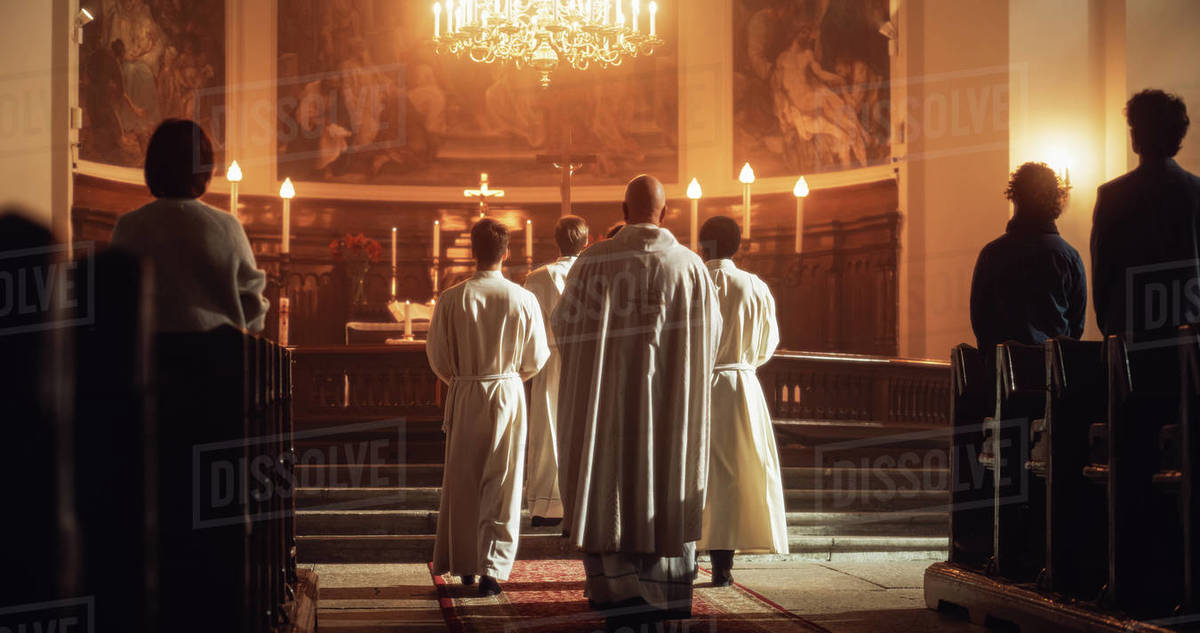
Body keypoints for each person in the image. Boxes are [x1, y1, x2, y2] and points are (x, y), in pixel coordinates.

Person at [552, 175, 721, 629]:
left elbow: (564, 328)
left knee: (611, 484)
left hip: (609, 408)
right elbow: (713, 340)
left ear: (623, 212)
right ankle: (667, 594)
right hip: (670, 411)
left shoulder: (592, 261)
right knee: (666, 480)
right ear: (665, 214)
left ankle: (615, 589)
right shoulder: (690, 267)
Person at [427, 219, 549, 597]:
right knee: (504, 481)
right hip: (508, 392)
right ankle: (492, 570)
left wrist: (463, 381)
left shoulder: (452, 298)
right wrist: (509, 378)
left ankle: (464, 563)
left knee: (464, 481)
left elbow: (438, 357)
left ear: (473, 251)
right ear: (507, 252)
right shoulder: (523, 298)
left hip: (465, 392)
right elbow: (536, 357)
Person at [695, 216, 789, 587]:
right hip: (739, 386)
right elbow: (767, 345)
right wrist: (742, 362)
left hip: (695, 386)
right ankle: (723, 564)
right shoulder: (755, 286)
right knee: (735, 475)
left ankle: (686, 555)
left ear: (702, 246)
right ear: (737, 247)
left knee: (693, 470)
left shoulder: (690, 282)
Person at [111, 119, 269, 333]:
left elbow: (116, 301)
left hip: (147, 360)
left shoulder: (128, 226)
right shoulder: (227, 227)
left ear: (152, 166)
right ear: (206, 170)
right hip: (216, 360)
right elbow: (252, 305)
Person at [1092, 89, 1200, 338]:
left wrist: (1112, 329)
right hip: (1189, 334)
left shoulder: (1112, 196)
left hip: (1131, 331)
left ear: (1136, 135)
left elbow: (1102, 277)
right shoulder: (1196, 192)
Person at [970, 162, 1086, 353]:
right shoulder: (1069, 257)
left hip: (1005, 372)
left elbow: (982, 322)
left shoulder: (992, 254)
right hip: (1053, 371)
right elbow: (1076, 327)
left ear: (1015, 198)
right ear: (1055, 200)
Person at [522, 215, 589, 527]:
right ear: (586, 242)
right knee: (583, 430)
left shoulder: (537, 278)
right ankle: (582, 503)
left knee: (547, 431)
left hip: (547, 359)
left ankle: (547, 507)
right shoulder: (596, 273)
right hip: (586, 363)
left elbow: (528, 330)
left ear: (556, 241)